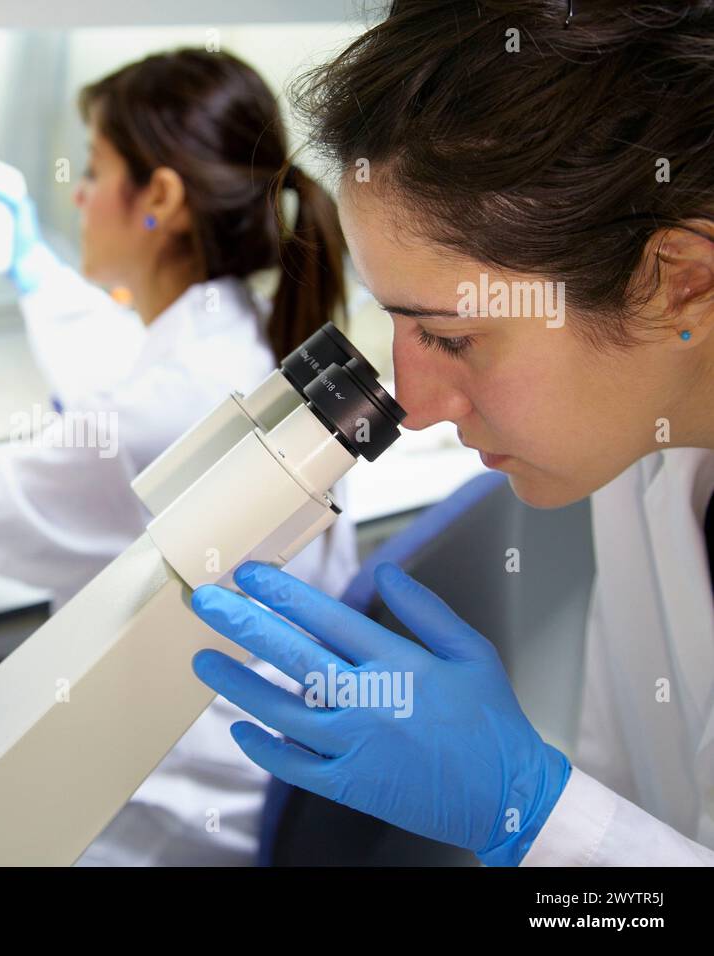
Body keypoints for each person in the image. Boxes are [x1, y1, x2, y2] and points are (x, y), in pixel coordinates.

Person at [190, 0, 714, 865]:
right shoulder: (635, 464)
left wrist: (532, 813)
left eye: (452, 336)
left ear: (679, 286)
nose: (417, 403)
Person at [0, 49, 355, 864]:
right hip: (231, 769)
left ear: (159, 198)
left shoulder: (174, 403)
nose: (78, 194)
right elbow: (126, 372)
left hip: (164, 814)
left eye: (93, 170)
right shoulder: (235, 342)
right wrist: (34, 270)